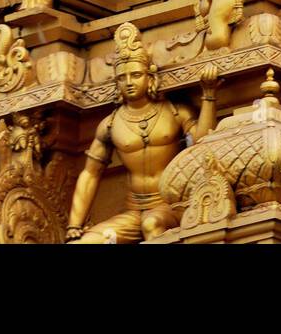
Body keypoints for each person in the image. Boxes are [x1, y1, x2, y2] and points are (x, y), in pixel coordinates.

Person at [66, 22, 218, 243]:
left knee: (152, 224)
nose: (128, 82)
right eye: (121, 77)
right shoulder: (110, 124)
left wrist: (209, 95)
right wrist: (74, 224)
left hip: (173, 205)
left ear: (150, 76)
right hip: (134, 211)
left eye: (136, 75)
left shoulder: (175, 112)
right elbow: (90, 173)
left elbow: (204, 144)